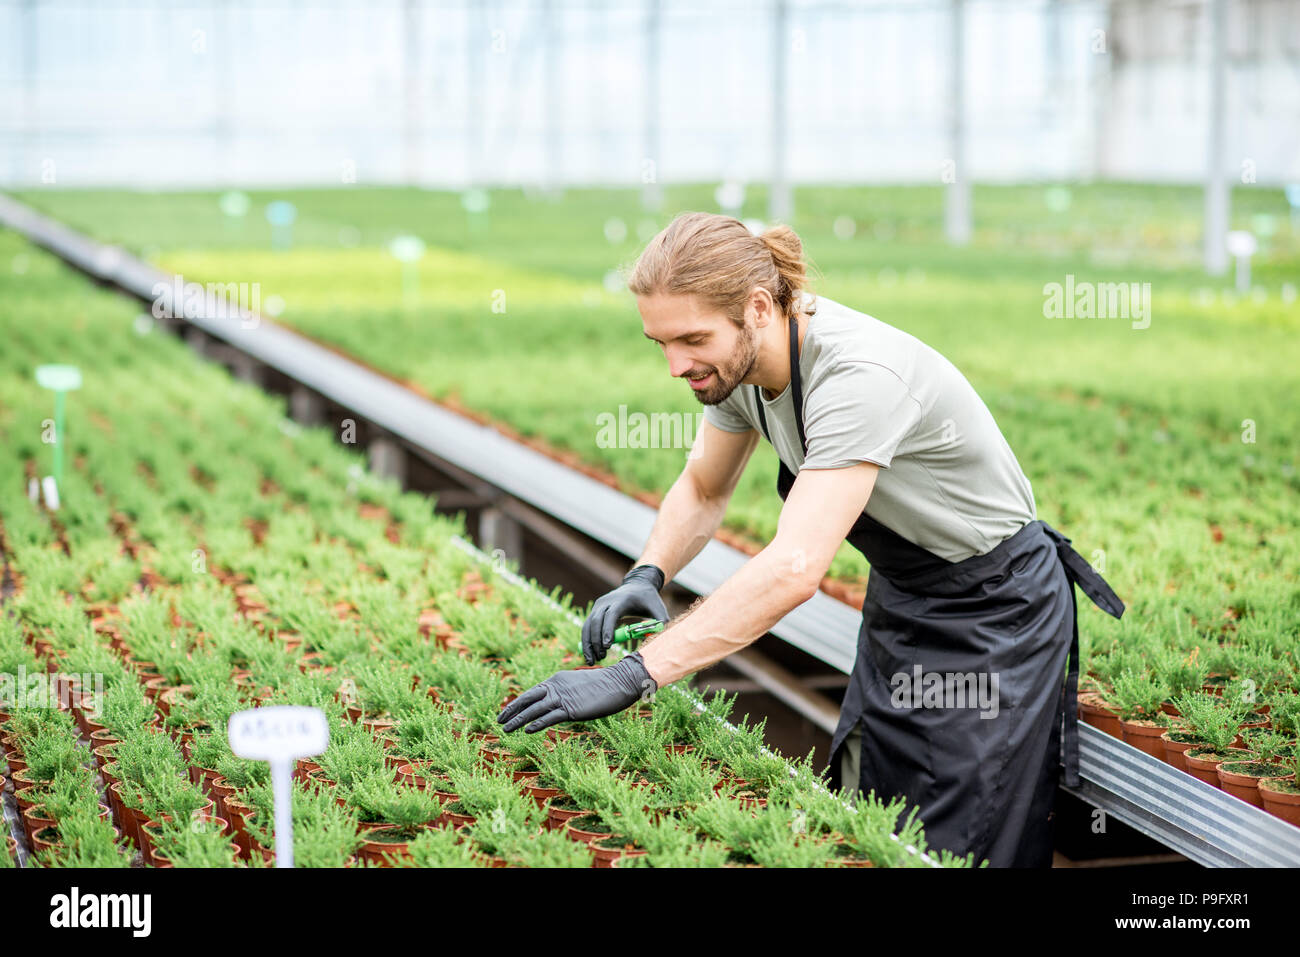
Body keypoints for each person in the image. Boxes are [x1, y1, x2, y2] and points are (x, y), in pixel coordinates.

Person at [498, 211, 1124, 867]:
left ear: (758, 307)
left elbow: (796, 566)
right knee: (879, 819)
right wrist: (646, 574)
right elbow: (706, 488)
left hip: (995, 612)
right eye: (660, 343)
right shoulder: (736, 365)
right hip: (905, 596)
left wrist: (639, 671)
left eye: (691, 338)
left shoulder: (856, 377)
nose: (676, 365)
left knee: (963, 838)